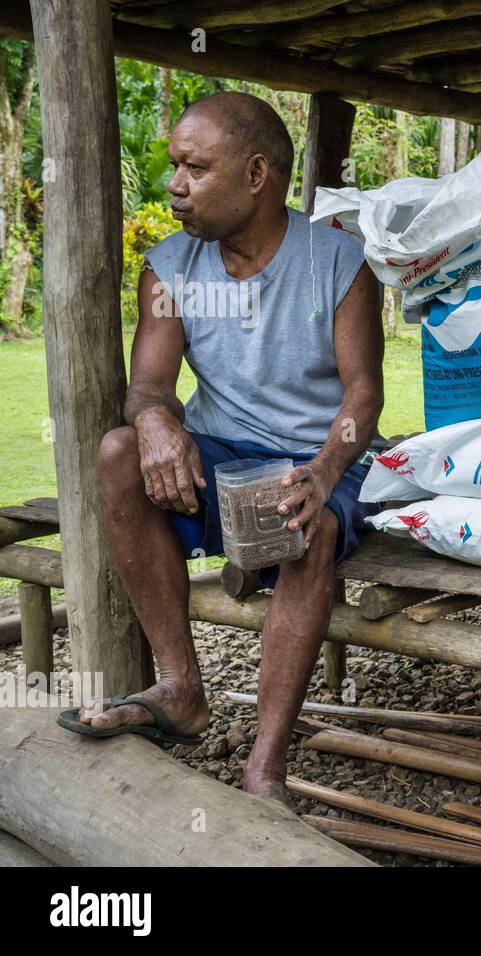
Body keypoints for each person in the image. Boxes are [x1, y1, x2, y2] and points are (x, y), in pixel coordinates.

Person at [59, 91, 385, 807]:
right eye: (175, 166)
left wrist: (324, 474)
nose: (174, 185)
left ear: (256, 173)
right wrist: (153, 424)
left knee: (309, 524)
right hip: (227, 458)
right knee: (118, 451)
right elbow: (149, 386)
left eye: (195, 168)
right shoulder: (172, 269)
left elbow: (363, 397)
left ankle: (264, 769)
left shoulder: (339, 264)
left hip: (320, 455)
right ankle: (180, 689)